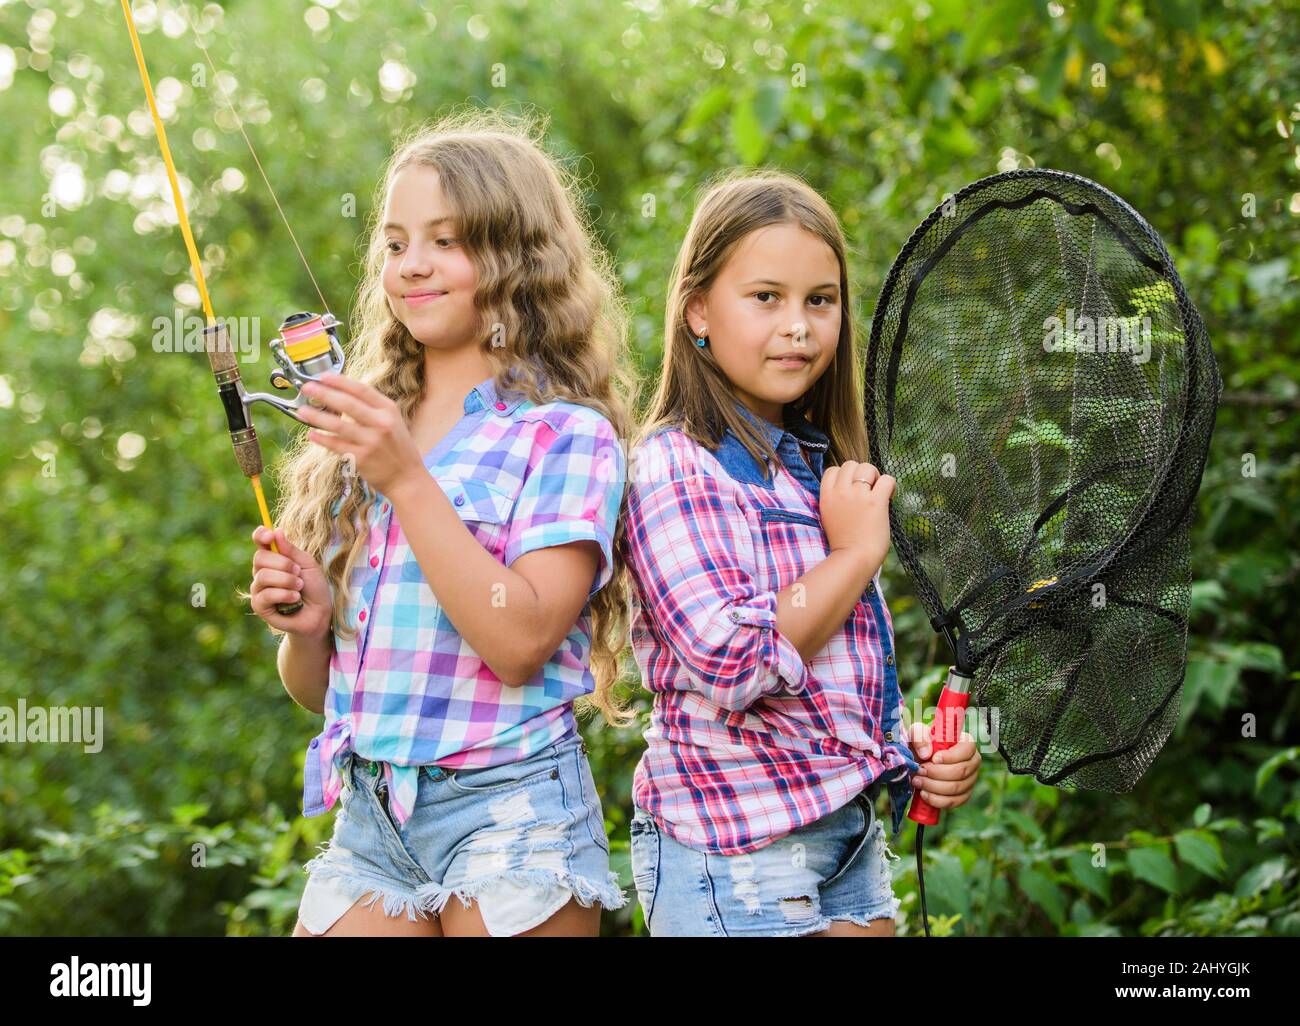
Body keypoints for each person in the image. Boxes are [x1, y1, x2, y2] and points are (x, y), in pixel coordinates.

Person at [248, 110, 635, 937]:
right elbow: (323, 694)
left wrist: (408, 482)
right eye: (395, 244)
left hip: (514, 812)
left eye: (446, 241)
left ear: (519, 257)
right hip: (371, 822)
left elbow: (522, 639)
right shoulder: (367, 432)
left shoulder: (564, 433)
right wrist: (309, 631)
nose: (412, 266)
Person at [623, 170, 982, 936]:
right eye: (766, 297)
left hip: (846, 840)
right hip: (731, 848)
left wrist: (905, 750)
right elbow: (732, 660)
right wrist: (852, 558)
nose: (799, 326)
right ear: (697, 312)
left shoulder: (818, 469)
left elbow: (825, 685)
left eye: (820, 300)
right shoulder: (673, 465)